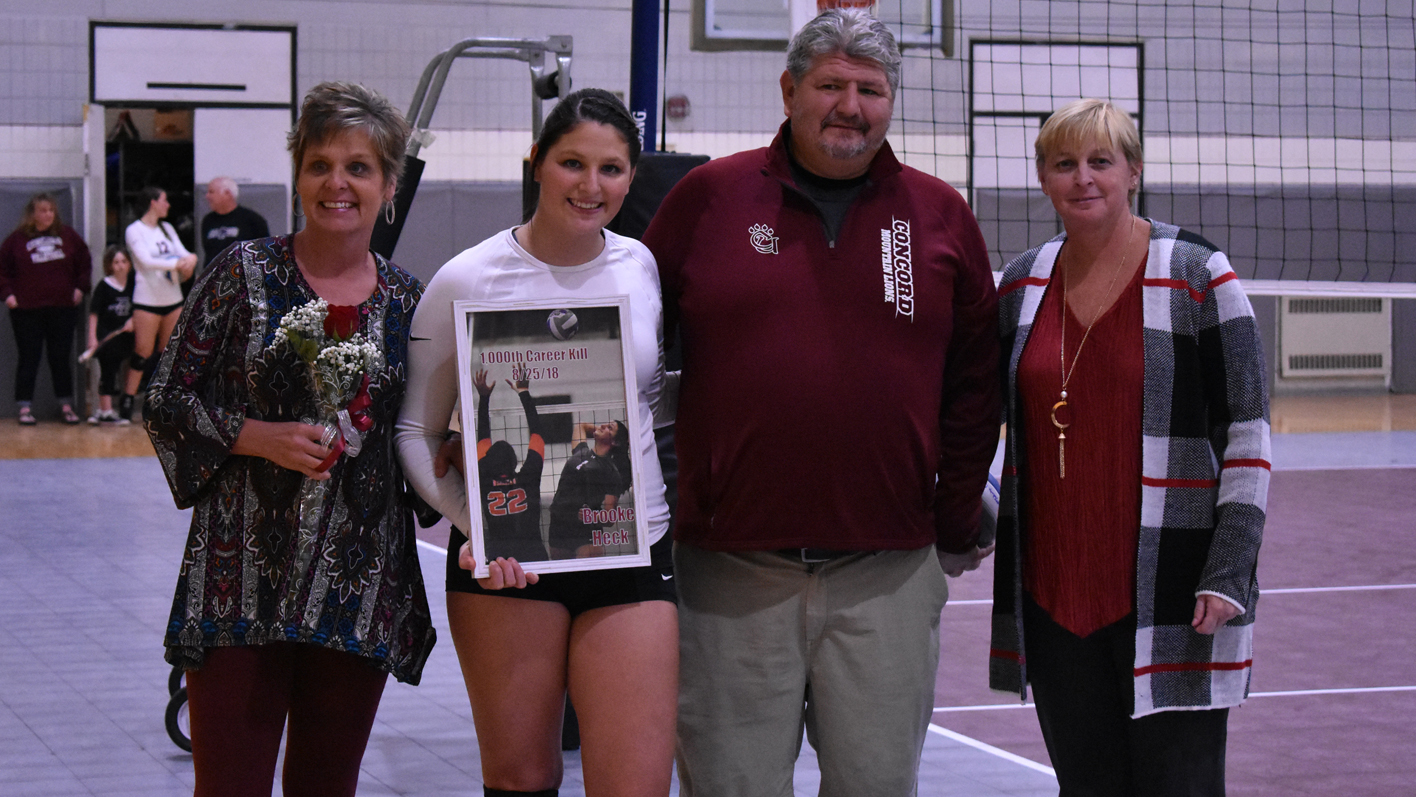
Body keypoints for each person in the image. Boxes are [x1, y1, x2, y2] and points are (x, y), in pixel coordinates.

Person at [639, 9, 1001, 795]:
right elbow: (628, 343)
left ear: (891, 100)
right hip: (728, 573)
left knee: (876, 783)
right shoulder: (709, 200)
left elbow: (978, 380)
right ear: (789, 89)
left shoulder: (940, 215)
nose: (851, 105)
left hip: (888, 576)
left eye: (870, 89)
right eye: (831, 84)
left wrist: (955, 513)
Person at [144, 81, 436, 797]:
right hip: (239, 585)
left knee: (326, 786)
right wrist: (255, 435)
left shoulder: (409, 301)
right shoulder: (242, 275)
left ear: (389, 184)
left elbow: (425, 436)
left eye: (358, 167)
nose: (336, 182)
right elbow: (165, 399)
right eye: (319, 165)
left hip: (359, 586)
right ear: (298, 174)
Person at [396, 87, 677, 797]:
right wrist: (481, 527)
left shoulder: (641, 267)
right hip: (509, 566)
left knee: (635, 784)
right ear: (537, 164)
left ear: (630, 178)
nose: (590, 185)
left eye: (611, 169)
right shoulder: (468, 277)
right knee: (521, 778)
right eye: (572, 163)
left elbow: (644, 405)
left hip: (629, 545)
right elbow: (413, 430)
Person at [990, 98, 1271, 796]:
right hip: (1055, 595)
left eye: (1100, 161)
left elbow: (1247, 432)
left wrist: (1229, 567)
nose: (1082, 178)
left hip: (1175, 591)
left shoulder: (1199, 273)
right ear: (1044, 178)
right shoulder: (1022, 283)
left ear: (1133, 171)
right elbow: (986, 425)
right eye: (1064, 163)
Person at [0, 193, 91, 425]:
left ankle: (66, 405)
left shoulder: (68, 236)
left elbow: (84, 262)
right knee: (29, 357)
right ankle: (24, 407)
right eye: (43, 210)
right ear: (32, 214)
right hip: (26, 310)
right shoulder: (16, 240)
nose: (48, 215)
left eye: (51, 210)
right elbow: (2, 270)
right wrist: (7, 294)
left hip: (62, 307)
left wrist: (81, 287)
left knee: (60, 357)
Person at [120, 185, 197, 422]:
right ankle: (127, 400)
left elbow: (185, 253)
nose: (168, 205)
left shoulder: (166, 228)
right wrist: (177, 265)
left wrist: (191, 259)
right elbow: (145, 261)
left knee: (169, 354)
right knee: (143, 351)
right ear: (153, 202)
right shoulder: (135, 230)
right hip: (147, 300)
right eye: (164, 200)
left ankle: (162, 402)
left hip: (173, 299)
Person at [472, 366, 549, 563]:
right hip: (534, 554)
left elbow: (482, 439)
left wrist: (484, 398)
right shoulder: (528, 477)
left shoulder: (483, 477)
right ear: (514, 461)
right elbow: (538, 434)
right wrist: (524, 393)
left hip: (499, 559)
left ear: (487, 462)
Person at [547, 419, 632, 559]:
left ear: (615, 442)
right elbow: (581, 426)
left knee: (589, 579)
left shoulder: (611, 472)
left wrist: (591, 516)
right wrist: (602, 430)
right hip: (559, 526)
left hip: (585, 533)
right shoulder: (581, 451)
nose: (603, 425)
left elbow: (609, 518)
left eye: (609, 428)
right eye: (605, 424)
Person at [84, 245, 135, 425]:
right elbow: (94, 313)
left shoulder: (134, 285)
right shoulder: (104, 286)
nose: (120, 266)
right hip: (107, 336)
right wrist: (92, 338)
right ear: (110, 265)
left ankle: (123, 408)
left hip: (127, 337)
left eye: (123, 261)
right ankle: (105, 410)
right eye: (116, 262)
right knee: (108, 370)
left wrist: (133, 320)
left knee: (129, 370)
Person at [198, 176, 270, 290]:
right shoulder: (207, 221)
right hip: (214, 285)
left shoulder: (253, 220)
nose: (207, 196)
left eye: (211, 192)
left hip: (242, 286)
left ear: (227, 193)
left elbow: (264, 255)